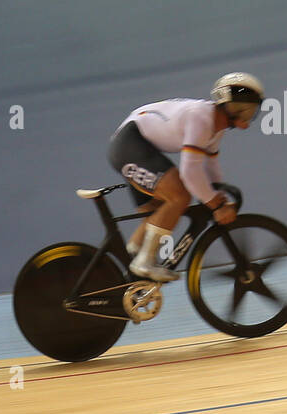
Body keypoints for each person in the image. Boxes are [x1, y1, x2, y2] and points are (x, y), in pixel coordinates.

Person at [107, 72, 264, 281]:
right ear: (234, 106)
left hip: (137, 146)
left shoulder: (217, 127)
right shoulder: (201, 118)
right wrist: (215, 204)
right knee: (179, 196)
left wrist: (217, 193)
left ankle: (129, 268)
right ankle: (143, 262)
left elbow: (210, 166)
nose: (249, 118)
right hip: (130, 145)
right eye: (247, 111)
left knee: (158, 211)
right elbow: (190, 173)